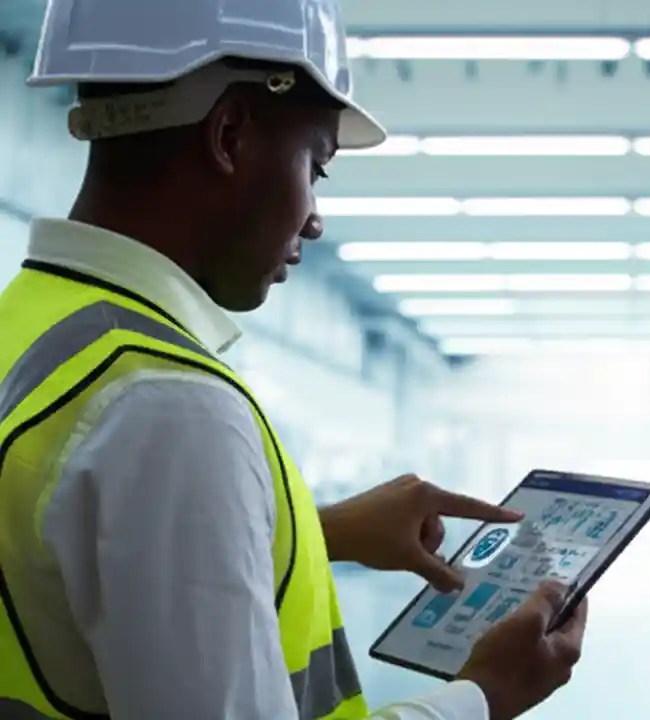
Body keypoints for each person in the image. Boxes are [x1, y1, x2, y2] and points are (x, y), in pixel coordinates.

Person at [0, 1, 586, 718]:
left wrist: (310, 529)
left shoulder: (31, 326)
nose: (313, 217)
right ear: (229, 133)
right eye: (317, 165)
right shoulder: (170, 405)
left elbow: (63, 559)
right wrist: (482, 696)